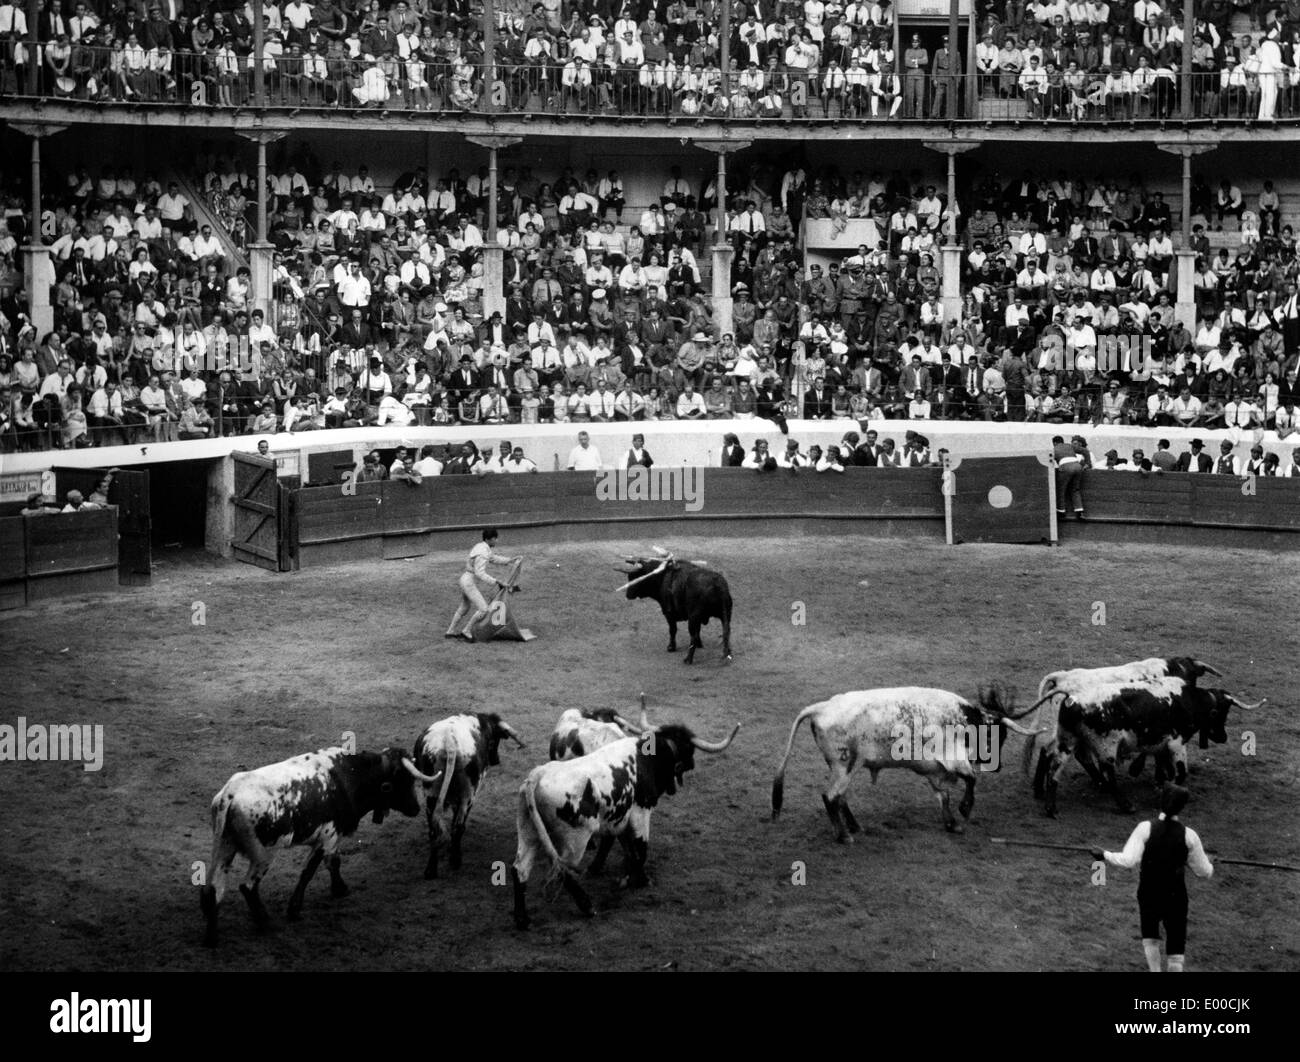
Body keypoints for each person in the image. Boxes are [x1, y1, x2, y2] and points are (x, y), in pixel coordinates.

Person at [1092, 785, 1213, 973]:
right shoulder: (1190, 836)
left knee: (1150, 936)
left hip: (1149, 890)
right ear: (1182, 807)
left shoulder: (1145, 828)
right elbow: (1204, 872)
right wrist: (1210, 863)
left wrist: (1104, 855)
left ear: (1162, 802)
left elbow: (1128, 860)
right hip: (1176, 894)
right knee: (1176, 947)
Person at [445, 528, 520, 642]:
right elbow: (480, 573)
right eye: (495, 538)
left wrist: (510, 560)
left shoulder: (481, 546)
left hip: (465, 579)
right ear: (489, 539)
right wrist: (497, 581)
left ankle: (450, 631)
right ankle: (466, 631)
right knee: (483, 609)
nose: (497, 541)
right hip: (468, 582)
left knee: (465, 607)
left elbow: (493, 558)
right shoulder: (483, 552)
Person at [1052, 434, 1084, 520]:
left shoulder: (1054, 449)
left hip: (1066, 467)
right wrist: (1087, 463)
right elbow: (1084, 451)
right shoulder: (1070, 446)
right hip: (1078, 466)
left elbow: (1050, 461)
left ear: (1054, 443)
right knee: (1075, 489)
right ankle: (1079, 511)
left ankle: (1061, 511)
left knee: (1061, 489)